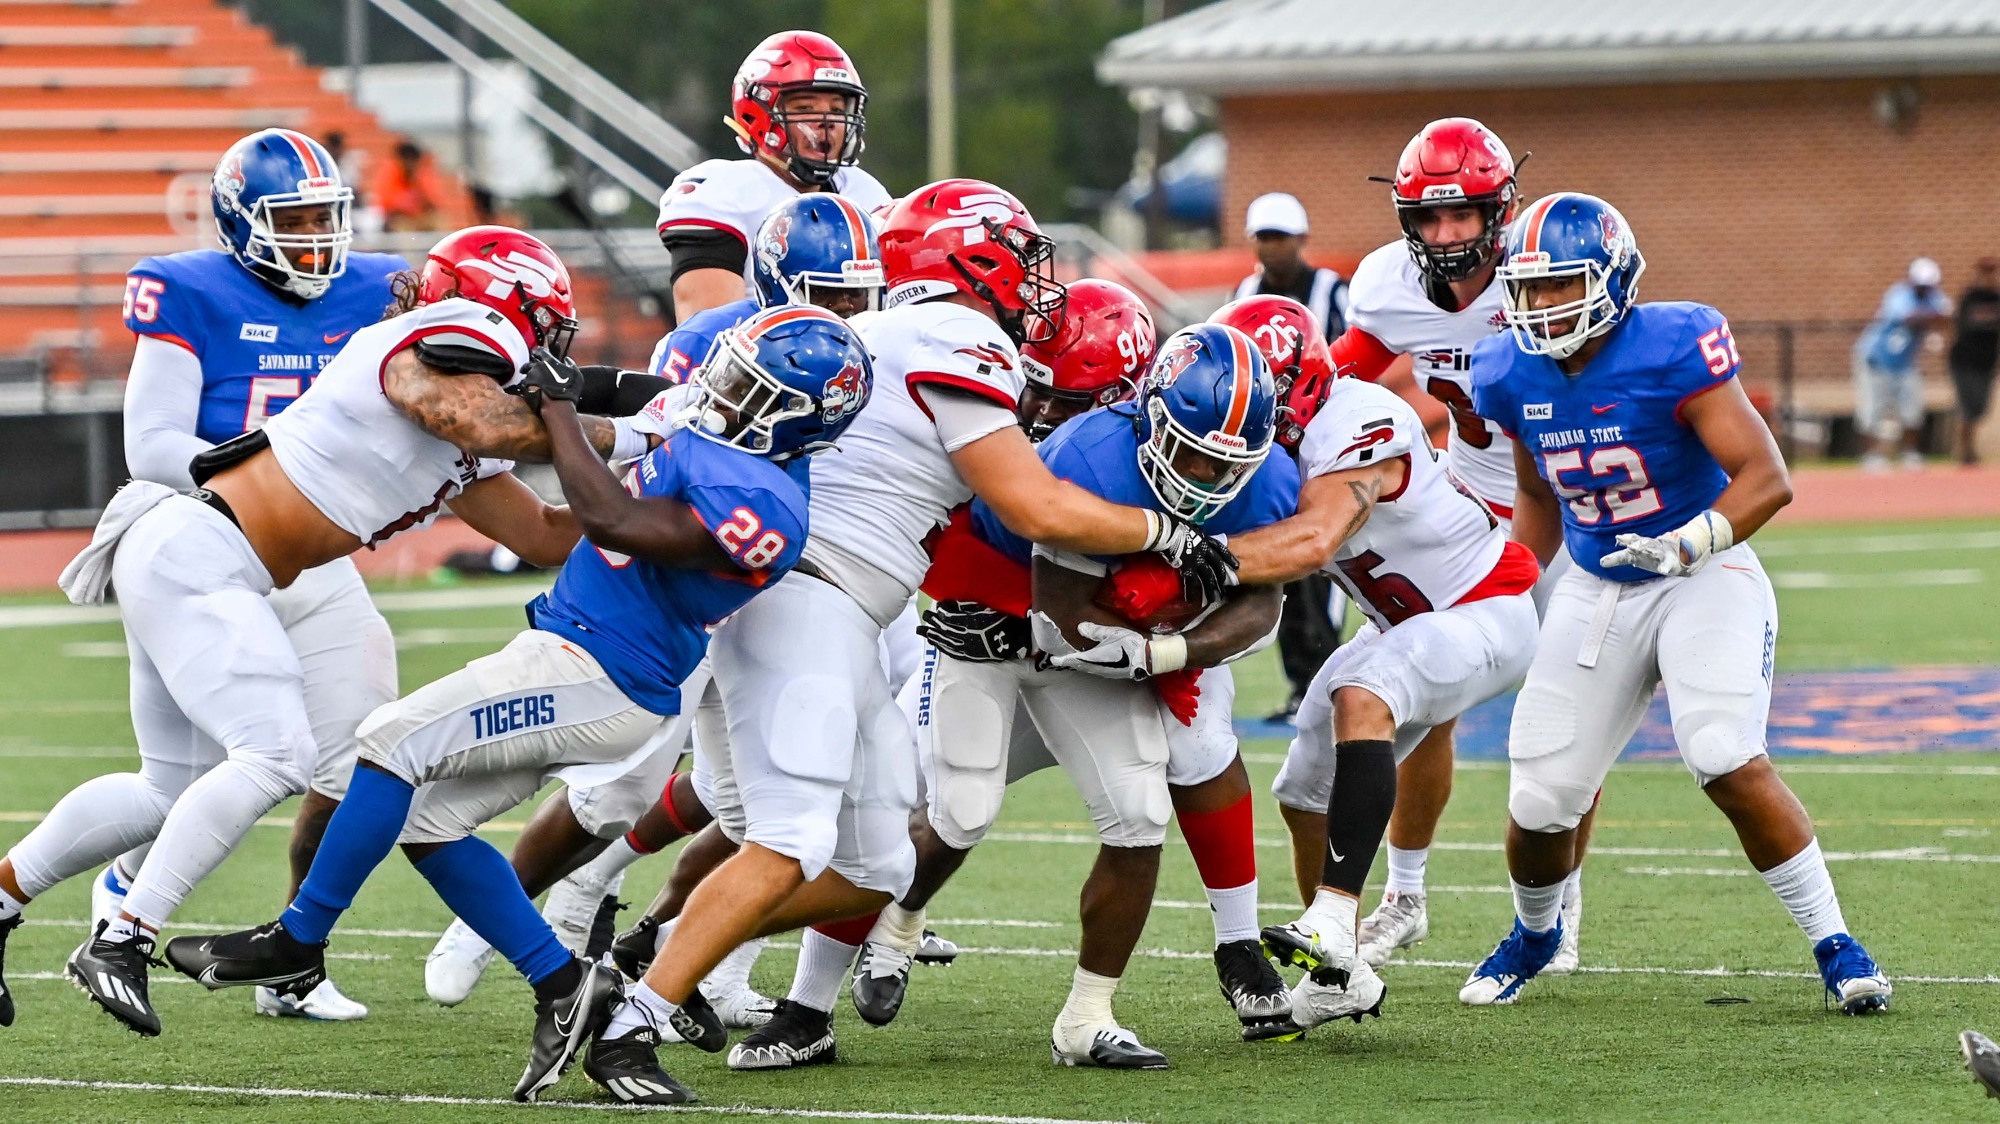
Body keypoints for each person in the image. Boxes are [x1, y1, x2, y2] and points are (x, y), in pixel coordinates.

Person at [580, 178, 1236, 1105]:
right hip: (810, 602)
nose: (1033, 278)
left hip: (830, 612)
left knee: (877, 868)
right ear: (969, 260)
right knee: (789, 838)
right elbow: (1030, 503)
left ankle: (648, 956)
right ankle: (629, 1018)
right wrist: (1165, 536)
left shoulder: (881, 335)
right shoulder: (951, 336)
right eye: (1017, 252)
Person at [164, 304, 874, 1106]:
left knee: (390, 739)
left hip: (603, 673)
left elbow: (610, 517)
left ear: (794, 422)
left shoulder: (769, 505)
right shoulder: (724, 424)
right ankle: (568, 985)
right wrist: (544, 379)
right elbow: (645, 390)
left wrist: (563, 408)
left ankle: (298, 939)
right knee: (428, 820)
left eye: (752, 387)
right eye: (735, 371)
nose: (725, 388)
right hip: (572, 653)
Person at [0, 226, 628, 1038]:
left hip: (211, 559)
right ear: (501, 304)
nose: (546, 344)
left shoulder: (458, 405)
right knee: (277, 755)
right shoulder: (433, 347)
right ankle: (122, 937)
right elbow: (484, 422)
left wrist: (657, 503)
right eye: (543, 320)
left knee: (168, 788)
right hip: (202, 551)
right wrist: (628, 427)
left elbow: (543, 534)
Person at [421, 192, 888, 1024]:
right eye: (831, 291)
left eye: (859, 295)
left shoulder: (858, 365)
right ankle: (489, 921)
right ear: (779, 282)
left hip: (776, 588)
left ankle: (696, 969)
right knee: (618, 787)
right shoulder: (722, 343)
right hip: (681, 577)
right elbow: (644, 431)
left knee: (742, 800)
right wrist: (554, 412)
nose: (847, 310)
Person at [711, 279, 1165, 1072]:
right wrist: (983, 598)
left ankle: (1093, 1014)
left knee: (1146, 805)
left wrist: (1167, 638)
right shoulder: (974, 399)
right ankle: (821, 989)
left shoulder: (1173, 445)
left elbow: (1246, 584)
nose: (1052, 419)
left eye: (1077, 401)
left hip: (1100, 653)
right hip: (984, 635)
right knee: (947, 810)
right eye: (1045, 395)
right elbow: (943, 530)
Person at [1463, 192, 1889, 1012]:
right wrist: (1506, 581)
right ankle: (1536, 933)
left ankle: (1836, 943)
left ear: (1613, 279)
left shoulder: (1668, 346)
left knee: (1724, 751)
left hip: (1703, 573)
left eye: (1562, 286)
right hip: (1596, 585)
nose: (1544, 307)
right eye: (1532, 288)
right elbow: (1539, 495)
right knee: (1540, 797)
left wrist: (1692, 542)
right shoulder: (1508, 370)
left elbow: (1769, 477)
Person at [84, 129, 407, 1024]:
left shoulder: (379, 287)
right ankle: (126, 890)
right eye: (292, 220)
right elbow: (149, 444)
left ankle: (293, 957)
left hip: (316, 558)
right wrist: (266, 485)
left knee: (363, 754)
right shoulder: (189, 288)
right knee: (208, 775)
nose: (314, 239)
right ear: (240, 223)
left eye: (324, 218)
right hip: (213, 540)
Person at [1326, 116, 1591, 973]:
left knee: (1560, 723)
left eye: (1463, 216)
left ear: (1500, 208)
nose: (1445, 236)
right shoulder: (1386, 283)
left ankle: (1557, 910)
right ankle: (1404, 895)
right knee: (1418, 686)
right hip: (1464, 493)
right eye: (1429, 218)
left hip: (1563, 497)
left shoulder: (1541, 273)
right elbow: (1351, 363)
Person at [1232, 313, 1540, 1031]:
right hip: (1407, 625)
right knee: (1302, 789)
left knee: (1362, 695)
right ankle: (1339, 976)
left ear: (1303, 386)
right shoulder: (1274, 443)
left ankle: (1336, 920)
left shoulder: (1361, 416)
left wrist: (1187, 553)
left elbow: (1312, 539)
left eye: (1261, 397)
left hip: (1487, 610)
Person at [657, 30, 891, 322]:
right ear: (758, 114)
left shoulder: (866, 195)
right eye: (805, 108)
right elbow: (707, 337)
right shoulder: (725, 194)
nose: (826, 122)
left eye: (837, 108)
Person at [1232, 192, 1348, 724]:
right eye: (1264, 237)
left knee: (1320, 571)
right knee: (1279, 574)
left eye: (1280, 237)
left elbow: (1354, 360)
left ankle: (1327, 684)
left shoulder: (1329, 291)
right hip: (1266, 448)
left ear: (1300, 239)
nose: (1272, 248)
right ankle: (1302, 688)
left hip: (1323, 436)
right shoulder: (1244, 292)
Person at [1853, 256, 1953, 472]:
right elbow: (1908, 316)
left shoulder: (1934, 296)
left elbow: (1947, 316)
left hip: (1906, 364)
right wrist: (1932, 316)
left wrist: (1933, 316)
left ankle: (1910, 454)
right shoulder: (1898, 294)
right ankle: (1873, 456)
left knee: (1912, 410)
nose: (1924, 291)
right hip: (1876, 360)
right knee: (1873, 410)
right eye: (1920, 286)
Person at [1949, 258, 2000, 466]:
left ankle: (1970, 449)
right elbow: (1968, 324)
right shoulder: (1970, 297)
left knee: (1980, 408)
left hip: (1986, 362)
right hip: (1965, 361)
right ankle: (1965, 451)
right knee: (1967, 406)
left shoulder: (1997, 298)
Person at [371, 138, 451, 232]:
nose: (409, 163)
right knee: (402, 226)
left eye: (412, 159)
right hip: (400, 219)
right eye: (406, 158)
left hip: (422, 217)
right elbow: (388, 205)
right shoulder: (389, 175)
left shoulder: (424, 174)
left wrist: (417, 182)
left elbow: (434, 203)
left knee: (440, 222)